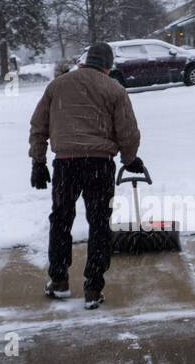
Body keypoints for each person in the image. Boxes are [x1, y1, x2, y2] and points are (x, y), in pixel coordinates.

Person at [29, 42, 145, 310]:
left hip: (65, 165)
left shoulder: (58, 86)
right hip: (99, 165)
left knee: (61, 220)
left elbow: (39, 125)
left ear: (84, 61)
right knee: (99, 224)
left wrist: (38, 161)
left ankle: (59, 281)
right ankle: (93, 287)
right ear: (107, 66)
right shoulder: (114, 89)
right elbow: (128, 131)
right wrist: (130, 159)